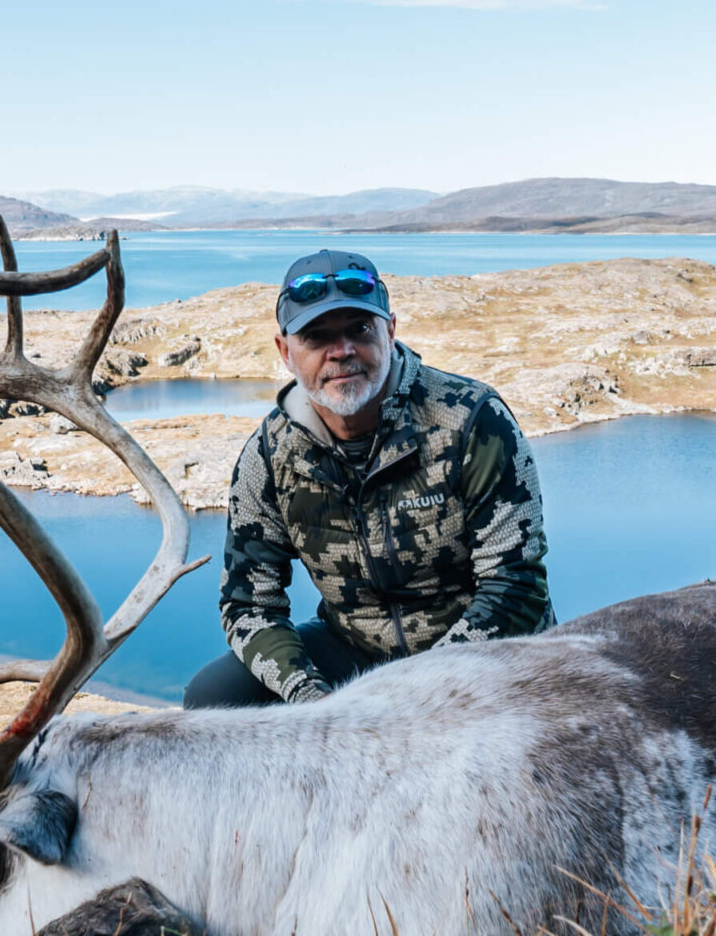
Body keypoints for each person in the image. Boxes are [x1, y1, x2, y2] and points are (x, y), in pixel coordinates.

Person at [183, 250, 553, 707]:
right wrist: (309, 697)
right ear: (285, 352)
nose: (341, 351)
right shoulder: (269, 455)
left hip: (487, 657)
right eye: (317, 337)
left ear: (390, 332)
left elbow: (515, 585)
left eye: (359, 329)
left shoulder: (472, 419)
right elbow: (250, 605)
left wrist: (413, 694)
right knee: (215, 696)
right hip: (356, 651)